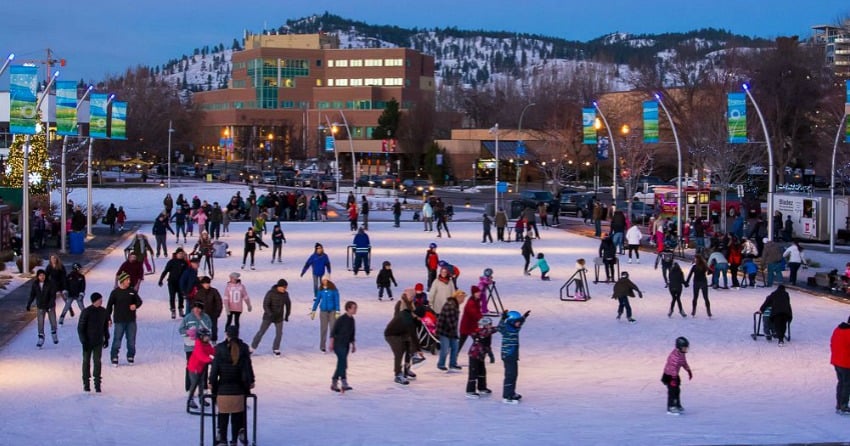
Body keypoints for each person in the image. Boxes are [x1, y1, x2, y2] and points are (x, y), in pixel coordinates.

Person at [210, 325, 255, 446]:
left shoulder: (219, 348)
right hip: (238, 391)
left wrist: (212, 387)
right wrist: (250, 384)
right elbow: (247, 369)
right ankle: (235, 439)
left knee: (223, 414)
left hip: (223, 391)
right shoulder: (244, 348)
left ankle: (222, 437)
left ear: (227, 334)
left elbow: (214, 371)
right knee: (237, 416)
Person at [106, 272, 143, 366]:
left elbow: (139, 301)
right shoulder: (115, 293)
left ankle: (130, 355)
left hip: (131, 320)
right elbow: (109, 306)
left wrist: (135, 305)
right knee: (117, 339)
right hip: (119, 320)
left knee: (131, 339)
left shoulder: (131, 291)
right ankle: (114, 356)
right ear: (122, 281)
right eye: (127, 280)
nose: (129, 282)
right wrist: (108, 318)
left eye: (129, 280)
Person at [77, 292, 109, 392]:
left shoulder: (103, 311)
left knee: (97, 362)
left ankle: (97, 384)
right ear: (95, 300)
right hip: (88, 341)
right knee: (86, 361)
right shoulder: (86, 312)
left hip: (98, 341)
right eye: (100, 300)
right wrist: (84, 341)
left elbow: (104, 326)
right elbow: (80, 328)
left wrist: (106, 338)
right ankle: (86, 384)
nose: (101, 301)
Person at [250, 279, 292, 356]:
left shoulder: (285, 294)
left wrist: (287, 315)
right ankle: (252, 348)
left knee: (279, 333)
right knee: (261, 332)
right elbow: (265, 304)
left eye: (286, 288)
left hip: (279, 317)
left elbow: (288, 305)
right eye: (284, 287)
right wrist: (270, 313)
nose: (285, 289)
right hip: (268, 317)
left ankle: (276, 348)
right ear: (279, 287)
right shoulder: (270, 293)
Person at [384, 295, 419, 385]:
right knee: (399, 352)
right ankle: (398, 374)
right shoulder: (401, 306)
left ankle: (406, 369)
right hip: (393, 334)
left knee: (409, 349)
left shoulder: (411, 306)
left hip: (403, 331)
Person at [499, 309, 530, 404]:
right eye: (517, 322)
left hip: (513, 356)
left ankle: (511, 392)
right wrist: (502, 318)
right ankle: (506, 396)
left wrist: (523, 318)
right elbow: (500, 327)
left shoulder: (515, 329)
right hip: (508, 356)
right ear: (511, 321)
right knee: (509, 375)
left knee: (514, 375)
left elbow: (519, 325)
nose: (519, 324)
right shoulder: (506, 329)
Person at [329, 301, 357, 393]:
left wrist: (353, 345)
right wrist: (331, 343)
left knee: (341, 363)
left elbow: (352, 334)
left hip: (346, 345)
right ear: (348, 308)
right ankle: (343, 382)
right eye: (354, 308)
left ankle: (334, 381)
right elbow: (333, 332)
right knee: (343, 363)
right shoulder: (341, 319)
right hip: (338, 344)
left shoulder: (352, 320)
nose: (355, 310)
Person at [466, 316, 497, 399]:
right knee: (473, 373)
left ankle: (482, 387)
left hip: (481, 356)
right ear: (484, 325)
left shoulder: (486, 333)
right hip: (474, 356)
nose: (490, 326)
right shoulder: (482, 332)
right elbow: (492, 330)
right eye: (489, 324)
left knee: (482, 372)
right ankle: (470, 390)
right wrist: (502, 322)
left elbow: (487, 345)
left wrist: (491, 355)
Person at [27, 269, 59, 347]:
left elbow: (53, 296)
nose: (42, 277)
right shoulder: (35, 284)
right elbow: (32, 295)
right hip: (41, 306)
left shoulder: (50, 283)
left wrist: (50, 305)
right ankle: (41, 337)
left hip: (50, 305)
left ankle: (54, 332)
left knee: (53, 321)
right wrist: (29, 304)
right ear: (38, 276)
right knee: (40, 322)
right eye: (40, 275)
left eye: (43, 275)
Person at [661, 337, 693, 415]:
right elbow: (673, 368)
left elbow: (683, 362)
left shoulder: (681, 354)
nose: (686, 349)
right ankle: (671, 407)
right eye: (684, 347)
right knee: (672, 391)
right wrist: (673, 379)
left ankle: (677, 404)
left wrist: (688, 370)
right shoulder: (674, 356)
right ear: (679, 347)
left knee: (677, 390)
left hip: (674, 376)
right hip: (669, 376)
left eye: (686, 347)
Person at [185, 326, 215, 410]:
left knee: (202, 383)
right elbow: (201, 356)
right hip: (194, 367)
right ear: (201, 337)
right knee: (194, 383)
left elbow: (211, 351)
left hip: (202, 367)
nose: (207, 338)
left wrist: (217, 354)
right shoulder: (198, 345)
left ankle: (201, 398)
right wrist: (209, 360)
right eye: (206, 337)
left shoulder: (207, 344)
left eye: (208, 337)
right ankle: (190, 399)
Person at [436, 290, 465, 372]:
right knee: (445, 348)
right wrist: (454, 333)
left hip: (450, 330)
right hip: (444, 331)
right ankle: (441, 364)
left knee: (455, 347)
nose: (463, 301)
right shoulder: (451, 305)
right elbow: (450, 321)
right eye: (462, 298)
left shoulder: (455, 304)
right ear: (458, 297)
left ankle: (453, 364)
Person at [310, 277, 340, 352]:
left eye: (325, 280)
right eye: (323, 280)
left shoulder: (334, 290)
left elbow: (337, 301)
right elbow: (317, 300)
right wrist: (313, 310)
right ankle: (322, 346)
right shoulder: (320, 290)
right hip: (323, 311)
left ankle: (334, 345)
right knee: (323, 329)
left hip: (332, 311)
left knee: (333, 329)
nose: (324, 281)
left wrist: (337, 311)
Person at [159, 248, 188, 319]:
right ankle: (173, 310)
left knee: (181, 296)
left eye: (182, 254)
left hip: (181, 283)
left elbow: (187, 273)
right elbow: (165, 271)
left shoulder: (185, 263)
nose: (181, 255)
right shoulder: (171, 262)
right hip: (172, 282)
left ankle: (180, 309)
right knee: (172, 296)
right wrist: (161, 280)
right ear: (176, 254)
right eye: (179, 254)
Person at [831, 315, 850, 414]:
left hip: (836, 361)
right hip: (846, 363)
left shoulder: (837, 329)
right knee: (847, 384)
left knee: (841, 382)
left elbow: (832, 343)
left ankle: (839, 404)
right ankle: (844, 405)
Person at [195, 276, 223, 342]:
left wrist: (218, 312)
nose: (207, 285)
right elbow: (196, 303)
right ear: (202, 284)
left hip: (213, 313)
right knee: (203, 327)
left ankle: (214, 339)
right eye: (205, 283)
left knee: (214, 327)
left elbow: (219, 302)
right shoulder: (199, 293)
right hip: (203, 314)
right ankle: (203, 340)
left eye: (208, 283)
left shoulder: (214, 291)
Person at [459, 286, 483, 351]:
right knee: (461, 342)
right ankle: (454, 357)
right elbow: (474, 314)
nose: (479, 293)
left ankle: (478, 356)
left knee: (479, 341)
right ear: (473, 293)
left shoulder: (477, 301)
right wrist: (482, 318)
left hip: (472, 326)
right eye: (477, 292)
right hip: (466, 326)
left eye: (479, 292)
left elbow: (477, 313)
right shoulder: (471, 303)